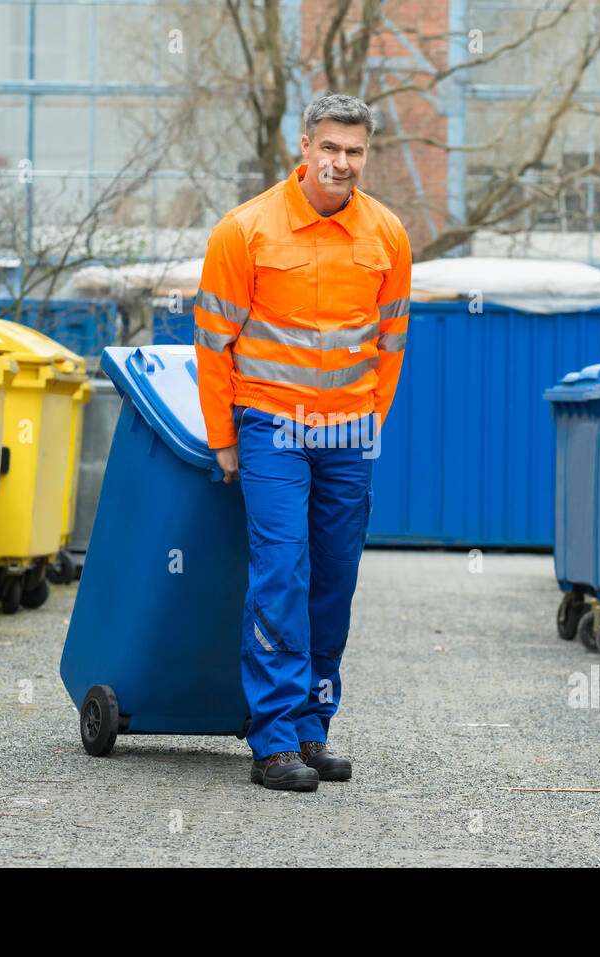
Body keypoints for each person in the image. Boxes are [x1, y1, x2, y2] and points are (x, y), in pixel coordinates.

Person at [193, 92, 412, 791]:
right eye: (331, 148)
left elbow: (391, 342)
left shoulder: (387, 235)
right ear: (305, 147)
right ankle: (274, 740)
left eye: (355, 151)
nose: (342, 162)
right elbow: (212, 342)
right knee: (281, 571)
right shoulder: (245, 230)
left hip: (349, 432)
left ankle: (315, 728)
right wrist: (224, 435)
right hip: (271, 429)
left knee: (333, 580)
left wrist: (369, 420)